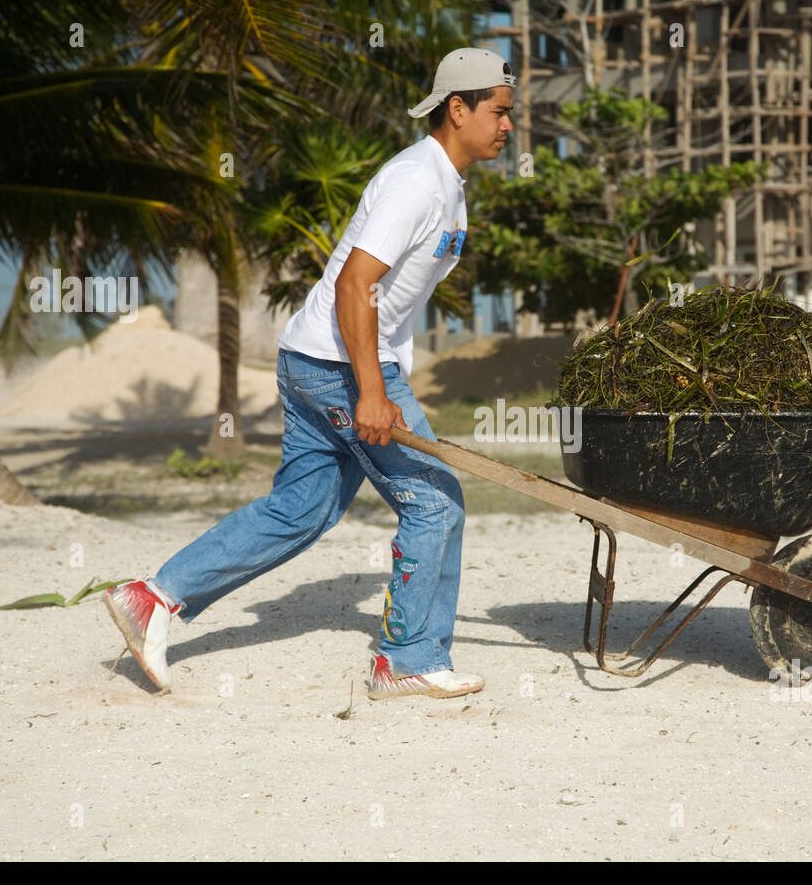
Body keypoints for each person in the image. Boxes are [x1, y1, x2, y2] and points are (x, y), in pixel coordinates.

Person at [104, 48, 516, 699]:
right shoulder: (416, 180)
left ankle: (152, 597)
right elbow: (358, 285)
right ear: (457, 109)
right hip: (342, 366)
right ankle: (405, 659)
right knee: (434, 503)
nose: (508, 126)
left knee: (302, 510)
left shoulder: (446, 186)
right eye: (499, 112)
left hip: (315, 359)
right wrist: (373, 393)